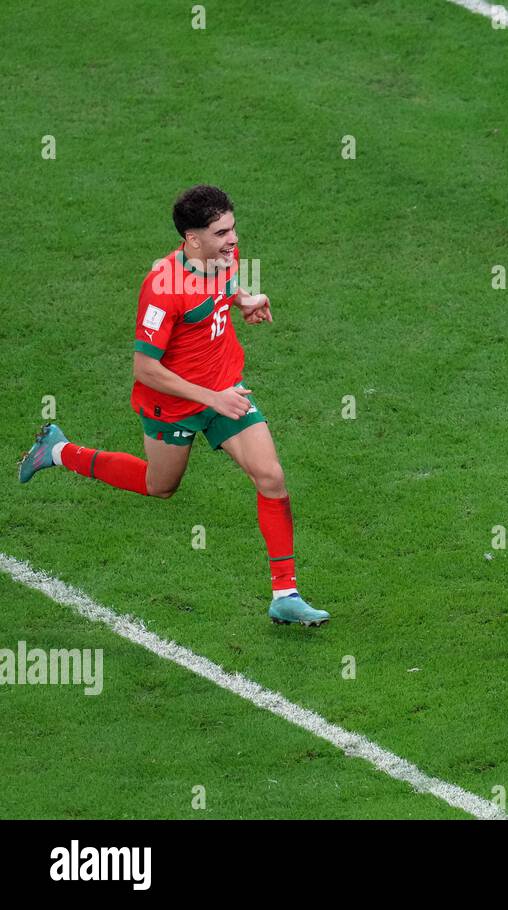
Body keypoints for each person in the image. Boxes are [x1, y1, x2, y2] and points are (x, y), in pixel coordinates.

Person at [18, 185, 328, 626]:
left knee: (271, 476)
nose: (233, 239)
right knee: (160, 485)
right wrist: (211, 398)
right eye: (222, 232)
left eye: (233, 227)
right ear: (192, 238)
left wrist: (245, 301)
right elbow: (145, 367)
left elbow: (224, 285)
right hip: (172, 405)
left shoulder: (223, 256)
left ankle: (285, 593)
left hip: (225, 389)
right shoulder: (163, 288)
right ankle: (58, 451)